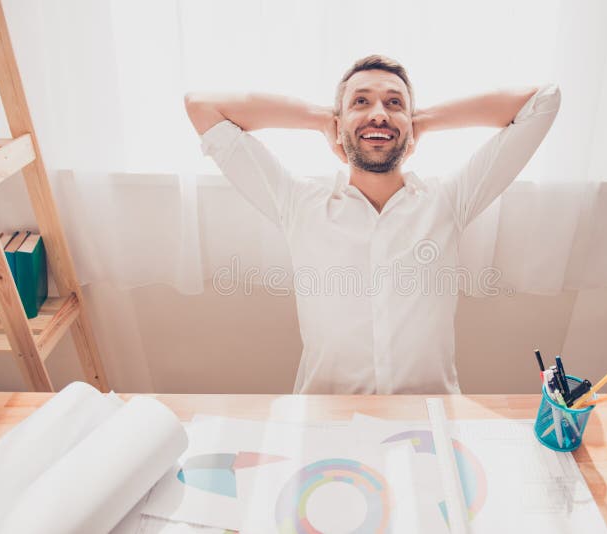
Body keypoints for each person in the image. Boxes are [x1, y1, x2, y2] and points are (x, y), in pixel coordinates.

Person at [184, 54, 560, 394]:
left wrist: (421, 121)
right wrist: (321, 119)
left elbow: (544, 99)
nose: (379, 114)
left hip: (430, 421)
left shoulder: (446, 201)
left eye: (394, 103)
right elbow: (202, 106)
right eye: (360, 101)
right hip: (324, 420)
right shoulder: (298, 203)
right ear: (339, 123)